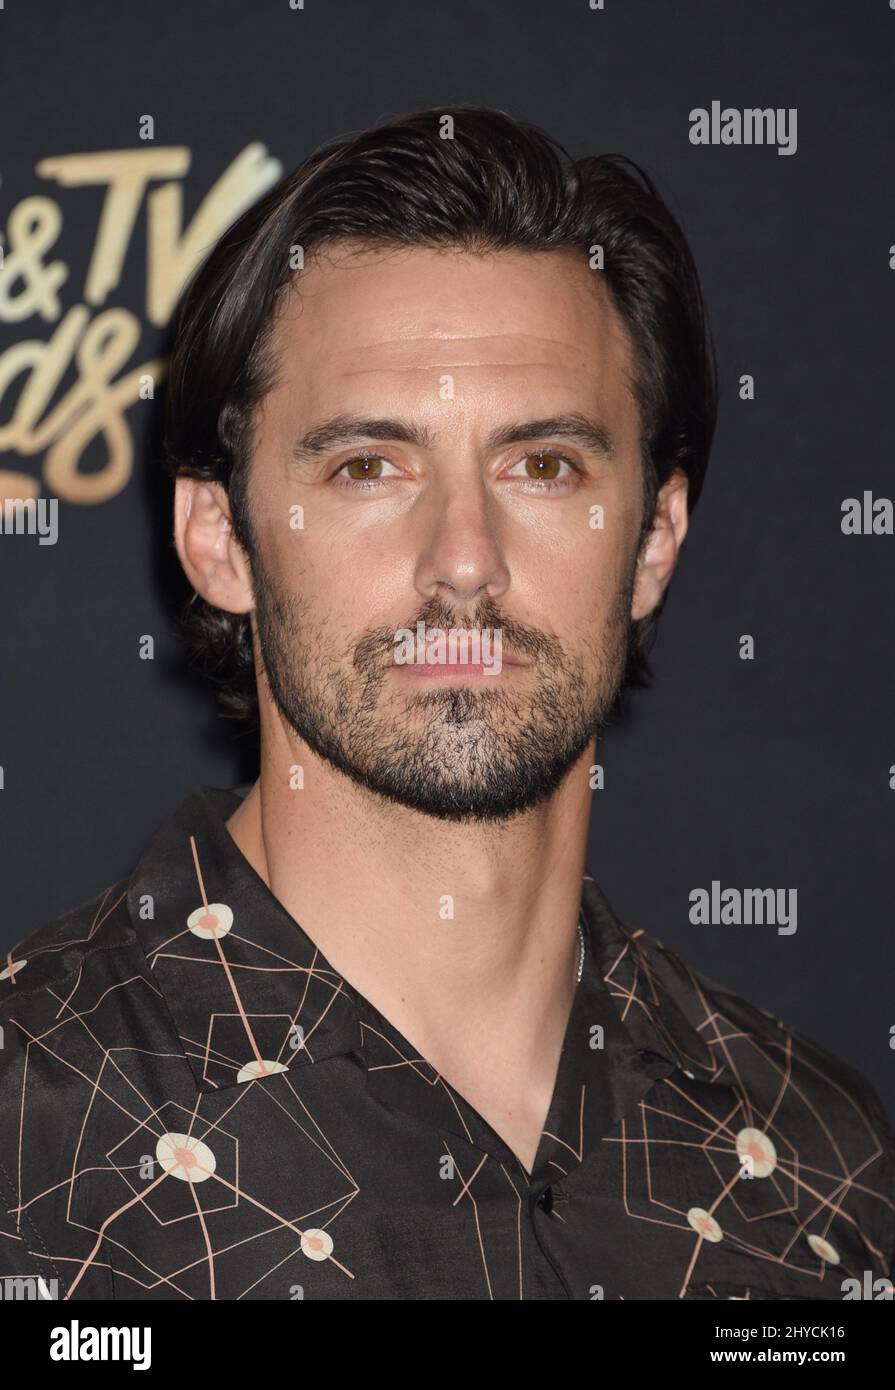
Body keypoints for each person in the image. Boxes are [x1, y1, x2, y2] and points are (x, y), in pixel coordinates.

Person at [1, 105, 892, 1302]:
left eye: (544, 465)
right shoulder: (26, 1130)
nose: (463, 557)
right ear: (219, 535)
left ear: (653, 541)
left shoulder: (824, 1167)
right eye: (369, 465)